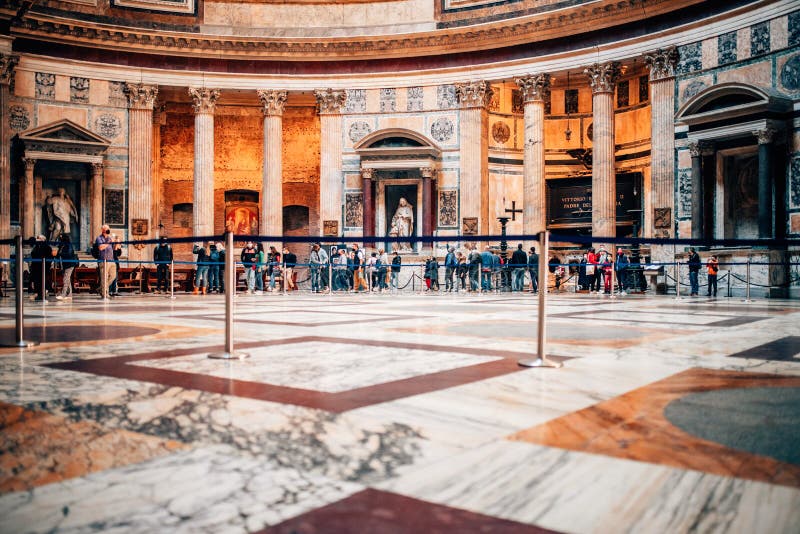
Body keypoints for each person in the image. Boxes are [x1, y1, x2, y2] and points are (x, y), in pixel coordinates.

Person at [95, 224, 116, 300]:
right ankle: (104, 294)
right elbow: (100, 247)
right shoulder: (99, 238)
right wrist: (109, 242)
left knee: (113, 276)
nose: (108, 230)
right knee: (104, 278)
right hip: (103, 260)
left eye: (109, 229)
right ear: (103, 230)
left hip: (111, 260)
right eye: (107, 229)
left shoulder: (110, 238)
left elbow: (114, 249)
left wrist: (117, 244)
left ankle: (100, 288)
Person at [30, 235, 53, 301]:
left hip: (44, 267)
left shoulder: (48, 247)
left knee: (43, 280)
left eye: (38, 238)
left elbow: (49, 257)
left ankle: (43, 293)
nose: (37, 240)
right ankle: (38, 293)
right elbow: (33, 254)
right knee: (37, 281)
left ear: (43, 240)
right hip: (36, 266)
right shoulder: (36, 247)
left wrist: (47, 265)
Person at [55, 233, 77, 300]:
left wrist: (61, 254)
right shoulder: (61, 245)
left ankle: (63, 294)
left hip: (69, 264)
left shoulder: (68, 245)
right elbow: (58, 254)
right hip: (63, 264)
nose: (60, 239)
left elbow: (69, 253)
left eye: (61, 237)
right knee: (67, 280)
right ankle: (69, 294)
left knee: (65, 279)